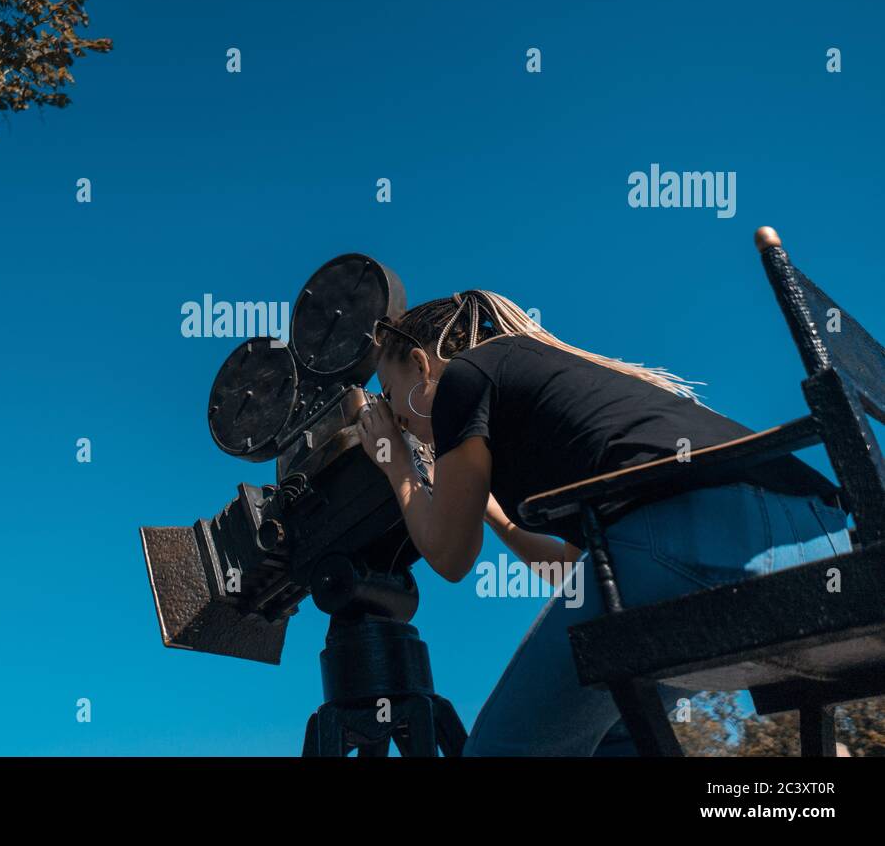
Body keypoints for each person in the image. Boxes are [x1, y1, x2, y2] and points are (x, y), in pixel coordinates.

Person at [356, 290, 850, 756]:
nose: (397, 421)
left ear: (420, 365)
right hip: (817, 547)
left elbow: (451, 557)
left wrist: (397, 464)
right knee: (615, 736)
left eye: (391, 397)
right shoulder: (540, 375)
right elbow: (576, 573)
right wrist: (497, 518)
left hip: (695, 543)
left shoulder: (463, 377)